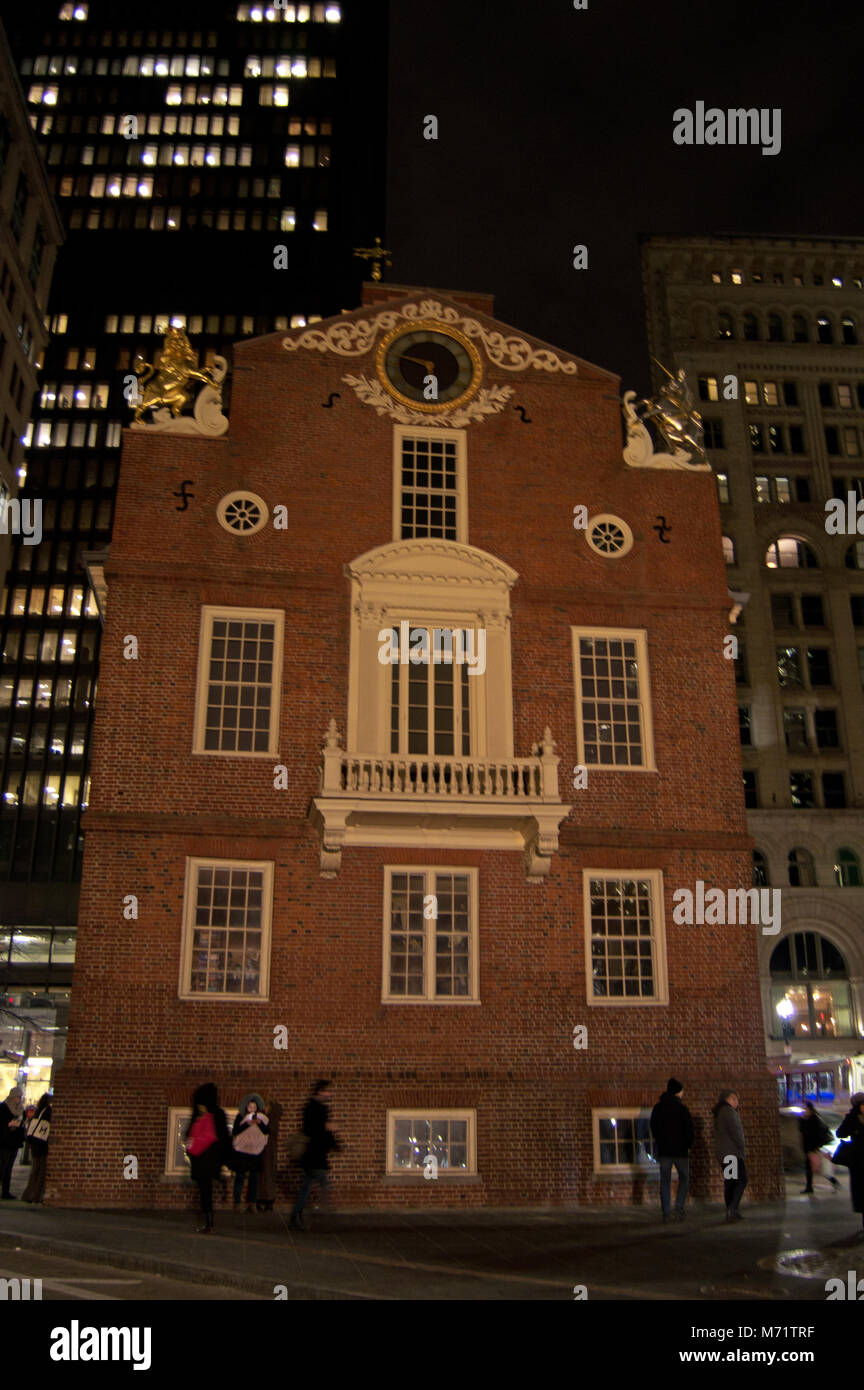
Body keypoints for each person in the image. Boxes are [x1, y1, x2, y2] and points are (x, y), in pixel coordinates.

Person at [290, 1080, 340, 1231]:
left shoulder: (310, 1107)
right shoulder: (318, 1109)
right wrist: (329, 1131)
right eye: (327, 1091)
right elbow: (318, 1131)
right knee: (321, 1183)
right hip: (315, 1155)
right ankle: (322, 1210)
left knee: (307, 1186)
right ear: (320, 1091)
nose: (330, 1094)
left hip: (312, 1154)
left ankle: (297, 1215)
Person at [184, 1082, 230, 1234]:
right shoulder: (218, 1114)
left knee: (205, 1190)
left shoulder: (200, 1115)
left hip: (202, 1160)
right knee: (206, 1189)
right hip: (212, 1160)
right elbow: (224, 1138)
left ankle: (208, 1222)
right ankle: (209, 1221)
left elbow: (189, 1136)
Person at [649, 1077, 694, 1222]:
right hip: (680, 1151)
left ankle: (666, 1213)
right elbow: (689, 1130)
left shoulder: (658, 1108)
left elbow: (653, 1127)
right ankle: (679, 1208)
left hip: (665, 1151)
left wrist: (661, 1142)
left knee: (665, 1181)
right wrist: (688, 1145)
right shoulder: (682, 1109)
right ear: (677, 1092)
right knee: (684, 1178)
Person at [712, 1088, 747, 1221]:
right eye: (736, 1099)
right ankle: (732, 1209)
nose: (737, 1102)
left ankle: (731, 1210)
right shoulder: (729, 1112)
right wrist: (742, 1148)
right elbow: (737, 1133)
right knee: (740, 1180)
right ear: (730, 1098)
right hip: (732, 1154)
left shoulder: (720, 1112)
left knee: (731, 1182)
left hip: (724, 1154)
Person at [231, 1093, 269, 1212]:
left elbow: (267, 1130)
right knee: (240, 1176)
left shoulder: (261, 1117)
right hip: (242, 1151)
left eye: (254, 1107)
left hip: (255, 1151)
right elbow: (235, 1130)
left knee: (254, 1178)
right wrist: (246, 1124)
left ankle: (252, 1202)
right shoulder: (240, 1117)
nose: (252, 1109)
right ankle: (237, 1202)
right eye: (250, 1107)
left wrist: (259, 1123)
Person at [835, 1092, 864, 1237]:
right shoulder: (852, 1118)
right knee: (861, 1192)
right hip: (859, 1161)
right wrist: (852, 1128)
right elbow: (840, 1133)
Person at [799, 1100, 839, 1195]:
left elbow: (812, 1133)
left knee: (815, 1167)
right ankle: (810, 1187)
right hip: (810, 1147)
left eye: (806, 1109)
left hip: (812, 1147)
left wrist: (803, 1121)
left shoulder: (814, 1120)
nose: (804, 1111)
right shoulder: (809, 1119)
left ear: (810, 1109)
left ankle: (832, 1181)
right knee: (813, 1167)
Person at [21, 1093, 51, 1204]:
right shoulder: (48, 1111)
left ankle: (28, 1194)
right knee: (41, 1171)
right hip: (42, 1143)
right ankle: (36, 1196)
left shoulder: (38, 1110)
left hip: (34, 1143)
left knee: (34, 1170)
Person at [257, 1097, 282, 1212]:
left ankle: (267, 1200)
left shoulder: (272, 1121)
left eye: (267, 1107)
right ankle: (264, 1199)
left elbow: (268, 1130)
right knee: (264, 1175)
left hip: (268, 1151)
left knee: (267, 1175)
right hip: (264, 1150)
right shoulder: (268, 1119)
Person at [0, 1087, 26, 1199]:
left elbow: (22, 1123)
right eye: (17, 1097)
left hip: (14, 1142)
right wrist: (7, 1124)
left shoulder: (21, 1109)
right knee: (2, 1167)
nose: (18, 1099)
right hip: (4, 1141)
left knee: (9, 1168)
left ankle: (6, 1192)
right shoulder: (3, 1107)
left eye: (20, 1097)